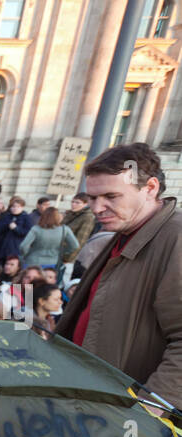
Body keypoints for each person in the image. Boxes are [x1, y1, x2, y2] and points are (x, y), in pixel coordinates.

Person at [55, 143, 182, 408]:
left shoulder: (175, 237)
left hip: (125, 418)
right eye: (92, 198)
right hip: (93, 401)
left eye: (111, 196)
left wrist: (148, 411)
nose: (97, 208)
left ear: (150, 188)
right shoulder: (124, 231)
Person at [0, 195, 35, 261]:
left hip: (16, 248)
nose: (15, 208)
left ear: (22, 207)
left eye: (18, 207)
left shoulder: (26, 218)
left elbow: (28, 233)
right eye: (13, 207)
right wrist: (7, 226)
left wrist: (16, 228)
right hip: (3, 247)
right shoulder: (7, 216)